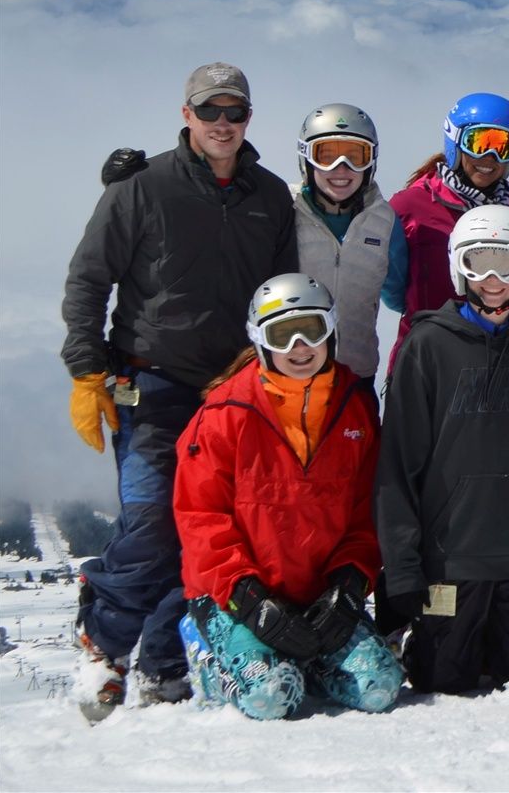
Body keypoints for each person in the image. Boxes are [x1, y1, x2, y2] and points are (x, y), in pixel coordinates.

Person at [62, 61, 297, 718]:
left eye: (235, 112)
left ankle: (163, 664)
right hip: (154, 381)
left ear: (248, 118)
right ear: (186, 114)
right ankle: (103, 644)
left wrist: (268, 367)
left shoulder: (270, 195)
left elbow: (281, 291)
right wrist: (87, 369)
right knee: (152, 520)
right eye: (210, 110)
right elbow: (88, 280)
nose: (224, 123)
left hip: (234, 388)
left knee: (207, 529)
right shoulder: (141, 187)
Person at [376, 204, 509, 694]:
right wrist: (403, 568)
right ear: (458, 268)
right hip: (451, 560)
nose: (493, 279)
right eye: (479, 263)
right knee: (441, 680)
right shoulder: (427, 347)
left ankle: (495, 632)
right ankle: (435, 637)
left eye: (507, 264)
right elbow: (398, 468)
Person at [173, 274, 399, 719]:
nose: (299, 346)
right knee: (272, 698)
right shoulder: (224, 415)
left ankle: (308, 658)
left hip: (318, 595)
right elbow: (200, 518)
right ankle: (208, 647)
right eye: (282, 333)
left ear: (330, 331)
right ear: (260, 340)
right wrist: (248, 600)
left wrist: (349, 586)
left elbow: (364, 511)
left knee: (380, 688)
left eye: (311, 329)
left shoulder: (353, 407)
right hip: (238, 599)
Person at [387, 92, 509, 359]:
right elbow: (392, 289)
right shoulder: (410, 206)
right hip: (425, 358)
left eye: (503, 146)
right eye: (479, 143)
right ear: (454, 141)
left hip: (495, 357)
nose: (490, 156)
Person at [291, 104, 404, 382]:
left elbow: (401, 295)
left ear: (372, 161)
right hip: (292, 372)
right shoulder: (284, 211)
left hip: (355, 378)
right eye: (326, 155)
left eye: (356, 156)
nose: (341, 169)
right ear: (306, 158)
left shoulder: (384, 221)